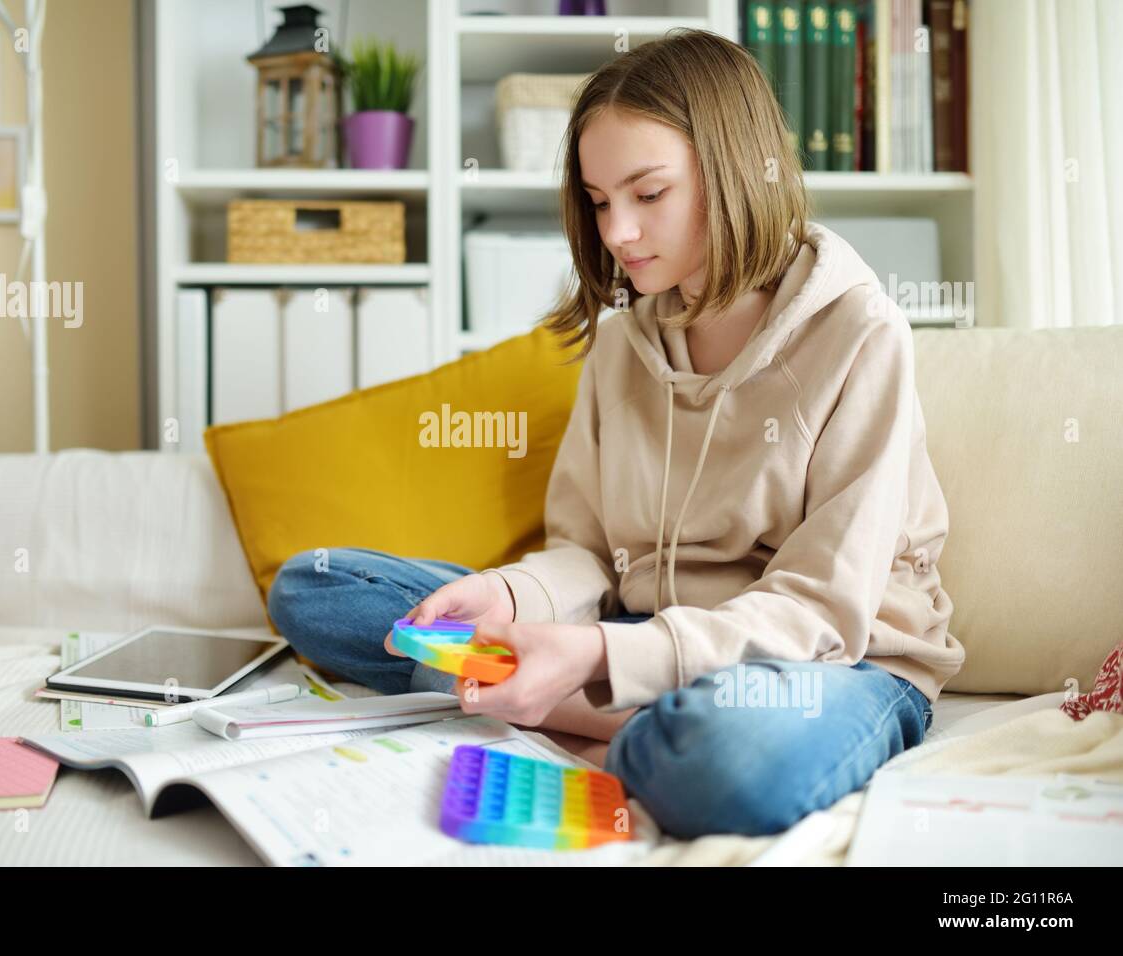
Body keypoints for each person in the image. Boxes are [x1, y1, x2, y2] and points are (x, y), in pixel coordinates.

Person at [267, 29, 965, 840]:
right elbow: (591, 553)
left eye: (648, 193)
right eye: (600, 201)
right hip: (638, 633)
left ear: (735, 171)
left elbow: (821, 611)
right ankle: (608, 705)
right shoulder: (622, 343)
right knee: (316, 588)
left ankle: (590, 707)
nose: (618, 233)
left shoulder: (861, 333)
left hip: (835, 663)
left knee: (724, 764)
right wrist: (510, 597)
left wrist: (597, 659)